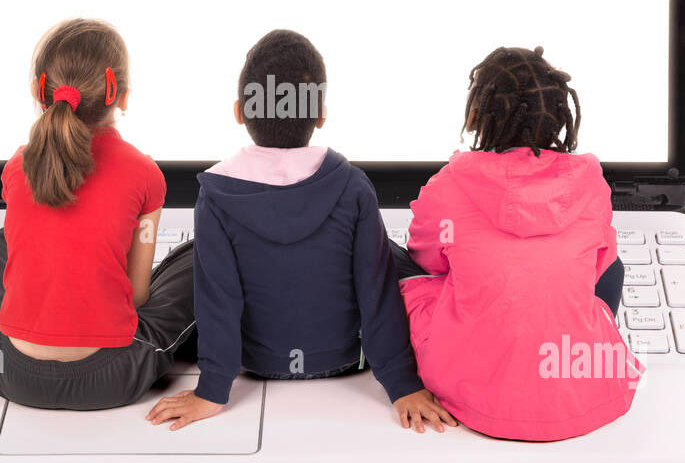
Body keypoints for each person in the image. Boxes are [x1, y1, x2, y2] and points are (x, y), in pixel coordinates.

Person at [147, 29, 455, 433]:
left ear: (239, 111)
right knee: (386, 256)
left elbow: (220, 302)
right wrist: (402, 384)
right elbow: (375, 294)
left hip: (255, 363)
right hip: (344, 360)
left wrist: (212, 391)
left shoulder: (215, 197)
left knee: (195, 262)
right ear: (321, 114)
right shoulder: (354, 185)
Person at [392, 45, 640, 441]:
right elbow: (597, 266)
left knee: (393, 257)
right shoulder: (591, 181)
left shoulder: (451, 184)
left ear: (476, 115)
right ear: (559, 115)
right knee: (612, 262)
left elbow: (428, 260)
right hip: (582, 379)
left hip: (476, 390)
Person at [0, 18, 195, 410]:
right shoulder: (145, 173)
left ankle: (15, 331)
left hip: (10, 373)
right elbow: (139, 295)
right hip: (111, 377)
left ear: (38, 92)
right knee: (201, 255)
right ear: (123, 97)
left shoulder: (16, 166)